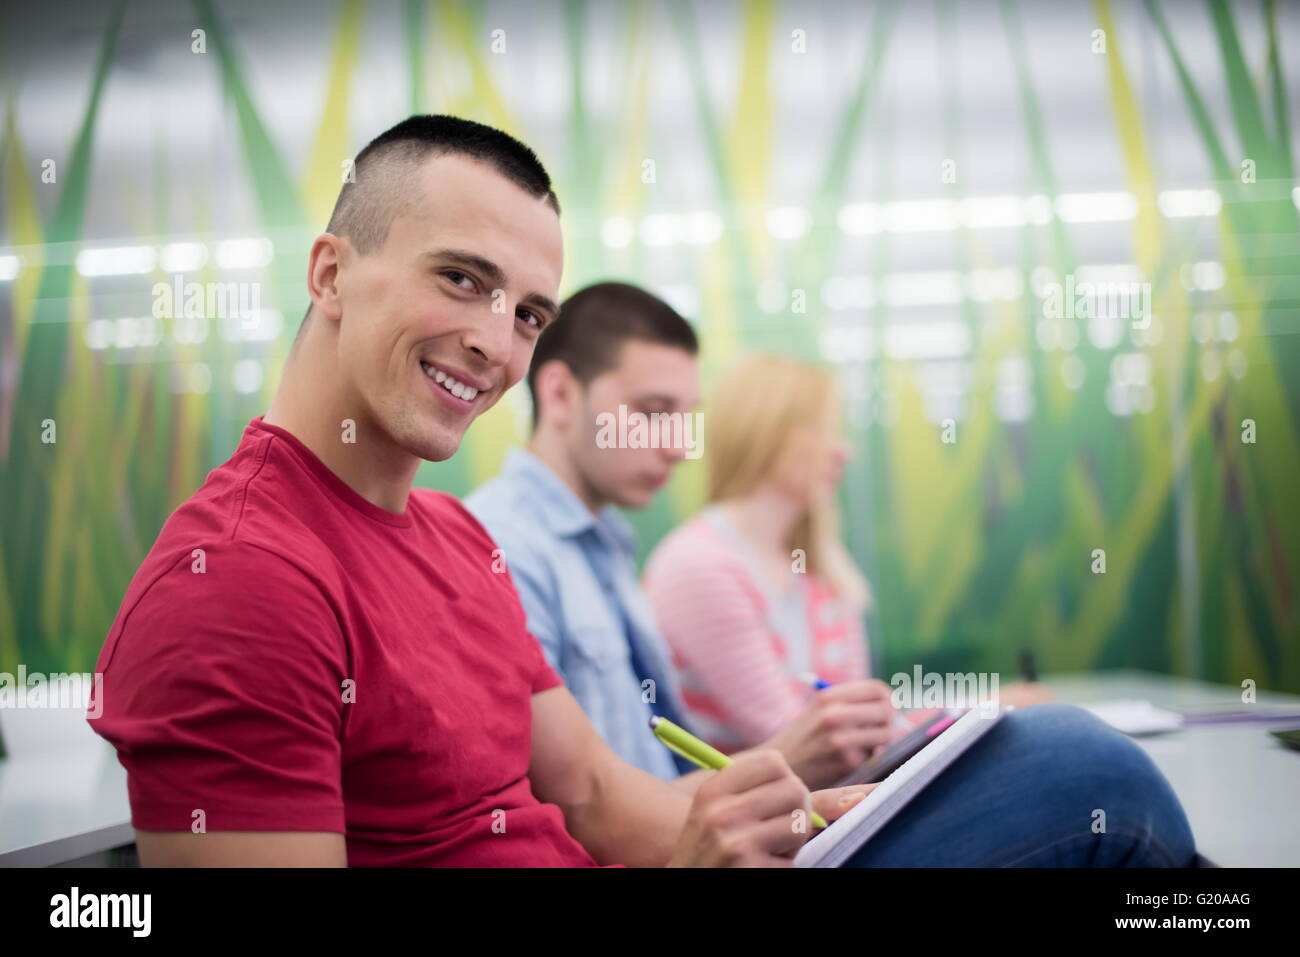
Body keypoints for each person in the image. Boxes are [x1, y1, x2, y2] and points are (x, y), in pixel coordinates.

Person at [87, 115, 1196, 868]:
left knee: (1075, 774)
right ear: (331, 272)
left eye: (525, 311)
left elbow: (605, 799)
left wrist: (788, 815)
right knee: (1087, 776)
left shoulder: (455, 541)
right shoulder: (236, 584)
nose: (492, 342)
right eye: (461, 279)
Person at [466, 284, 901, 789]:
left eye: (684, 417)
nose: (678, 446)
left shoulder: (607, 551)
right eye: (653, 412)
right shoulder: (504, 548)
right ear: (560, 394)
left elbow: (658, 779)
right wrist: (792, 758)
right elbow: (583, 810)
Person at [643, 353, 1049, 754]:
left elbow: (863, 737)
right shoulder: (695, 566)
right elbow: (804, 746)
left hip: (838, 801)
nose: (843, 452)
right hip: (786, 814)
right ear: (767, 433)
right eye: (824, 432)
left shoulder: (821, 566)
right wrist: (976, 712)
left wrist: (977, 713)